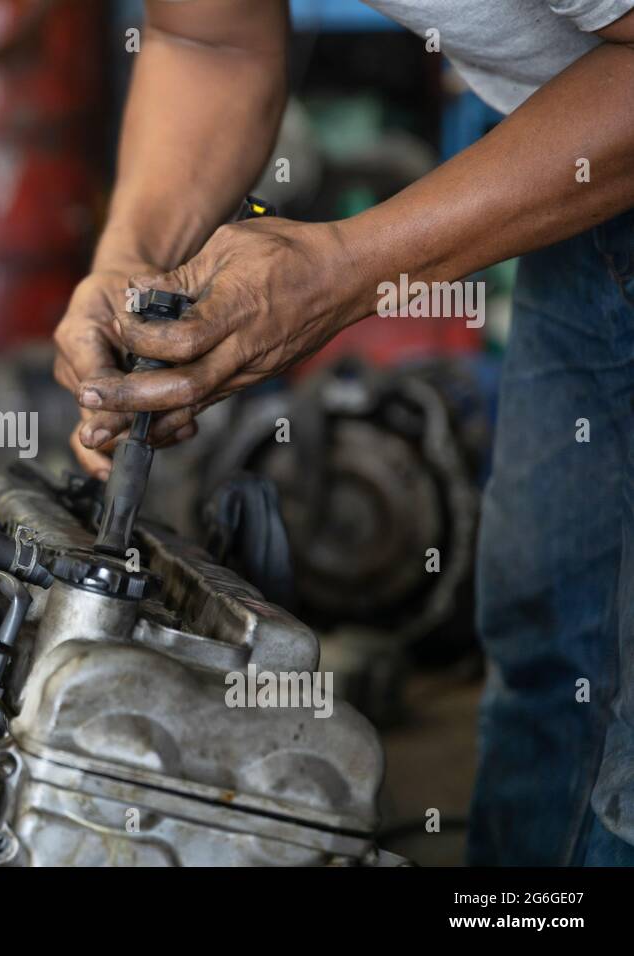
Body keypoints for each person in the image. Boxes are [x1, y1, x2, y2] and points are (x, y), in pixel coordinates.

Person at [53, 0, 634, 865]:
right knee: (552, 634)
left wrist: (348, 269)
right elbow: (207, 37)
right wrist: (129, 262)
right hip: (587, 157)